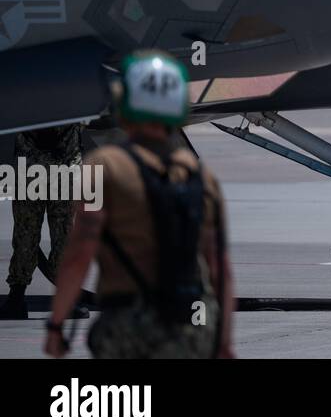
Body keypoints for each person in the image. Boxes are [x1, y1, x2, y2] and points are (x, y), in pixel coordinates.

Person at [44, 50, 234, 359]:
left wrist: (55, 326)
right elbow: (220, 269)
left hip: (129, 329)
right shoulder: (201, 177)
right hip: (190, 329)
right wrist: (223, 342)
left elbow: (79, 255)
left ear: (125, 103)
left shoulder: (105, 166)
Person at [0, 125, 83, 320]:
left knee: (26, 233)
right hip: (63, 164)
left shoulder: (25, 96)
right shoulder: (74, 98)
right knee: (62, 233)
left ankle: (16, 297)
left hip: (31, 164)